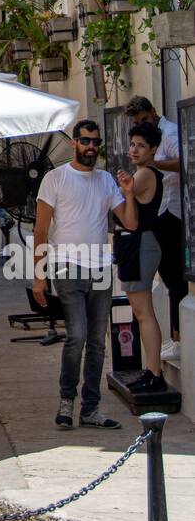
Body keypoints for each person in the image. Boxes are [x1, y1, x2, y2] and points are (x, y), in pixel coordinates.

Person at [34, 119, 137, 430]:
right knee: (77, 335)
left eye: (96, 142)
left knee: (97, 341)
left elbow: (130, 223)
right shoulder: (55, 179)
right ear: (75, 143)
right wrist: (39, 276)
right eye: (86, 140)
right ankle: (67, 400)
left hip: (101, 268)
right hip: (66, 266)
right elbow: (40, 230)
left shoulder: (106, 181)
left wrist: (128, 193)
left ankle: (90, 409)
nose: (91, 146)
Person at [126, 95, 184, 362]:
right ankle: (176, 336)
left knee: (175, 278)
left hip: (173, 211)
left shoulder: (170, 133)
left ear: (153, 112)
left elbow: (184, 162)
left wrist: (154, 165)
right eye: (137, 123)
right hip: (161, 211)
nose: (142, 124)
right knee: (170, 278)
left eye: (145, 120)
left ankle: (180, 337)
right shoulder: (148, 139)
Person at [113, 122, 167, 394]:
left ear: (153, 149)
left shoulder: (146, 174)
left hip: (140, 243)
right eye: (132, 144)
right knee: (141, 311)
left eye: (141, 146)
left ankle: (154, 373)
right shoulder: (140, 174)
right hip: (136, 244)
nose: (134, 150)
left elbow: (130, 216)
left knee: (144, 313)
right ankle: (152, 370)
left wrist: (125, 192)